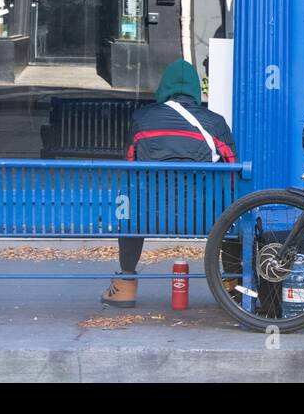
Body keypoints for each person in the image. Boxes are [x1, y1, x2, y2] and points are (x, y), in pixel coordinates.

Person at [100, 59, 236, 308]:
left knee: (129, 204)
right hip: (204, 218)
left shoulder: (142, 119)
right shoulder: (215, 122)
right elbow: (232, 172)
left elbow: (130, 167)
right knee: (234, 211)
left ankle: (126, 284)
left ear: (164, 87)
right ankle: (234, 287)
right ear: (196, 89)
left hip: (151, 215)